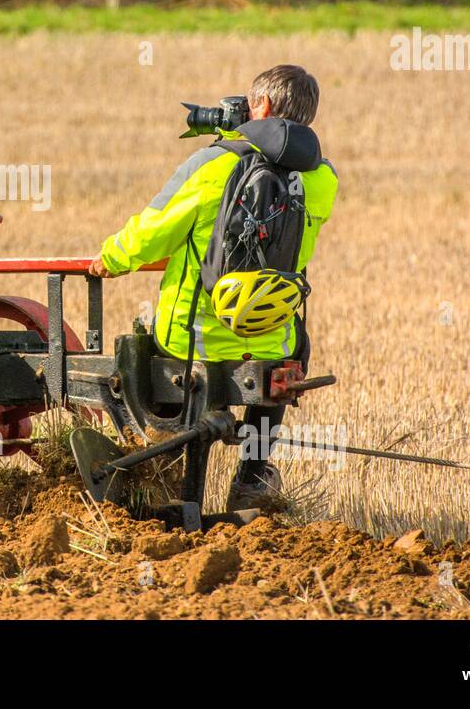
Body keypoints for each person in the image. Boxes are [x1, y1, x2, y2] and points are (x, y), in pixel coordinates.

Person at [88, 64, 338, 511]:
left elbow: (152, 234)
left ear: (260, 106)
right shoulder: (323, 181)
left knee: (140, 346)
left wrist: (110, 258)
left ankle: (157, 471)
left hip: (192, 340)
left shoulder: (213, 165)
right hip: (269, 341)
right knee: (296, 344)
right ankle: (253, 473)